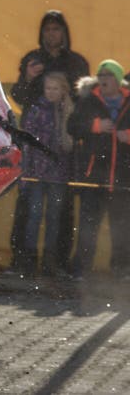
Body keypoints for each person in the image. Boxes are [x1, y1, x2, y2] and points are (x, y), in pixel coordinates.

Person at [9, 10, 89, 273]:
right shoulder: (32, 59)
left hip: (62, 150)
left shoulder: (76, 62)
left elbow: (84, 102)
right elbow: (19, 97)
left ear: (64, 32)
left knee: (61, 213)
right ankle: (22, 262)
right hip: (34, 150)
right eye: (47, 29)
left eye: (56, 29)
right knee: (28, 211)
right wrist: (29, 77)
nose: (51, 34)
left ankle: (57, 263)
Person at [68, 60, 130, 279]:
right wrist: (95, 126)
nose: (103, 78)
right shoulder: (88, 100)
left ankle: (121, 270)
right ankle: (81, 269)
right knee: (88, 225)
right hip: (94, 174)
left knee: (122, 227)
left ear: (118, 78)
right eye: (100, 74)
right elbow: (72, 126)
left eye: (108, 74)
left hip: (123, 176)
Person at [16, 72, 74, 276]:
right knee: (34, 215)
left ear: (63, 90)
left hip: (58, 173)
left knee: (54, 218)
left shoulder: (68, 110)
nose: (51, 92)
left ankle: (50, 261)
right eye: (48, 88)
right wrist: (25, 171)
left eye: (55, 88)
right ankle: (30, 261)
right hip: (37, 172)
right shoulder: (36, 110)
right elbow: (28, 143)